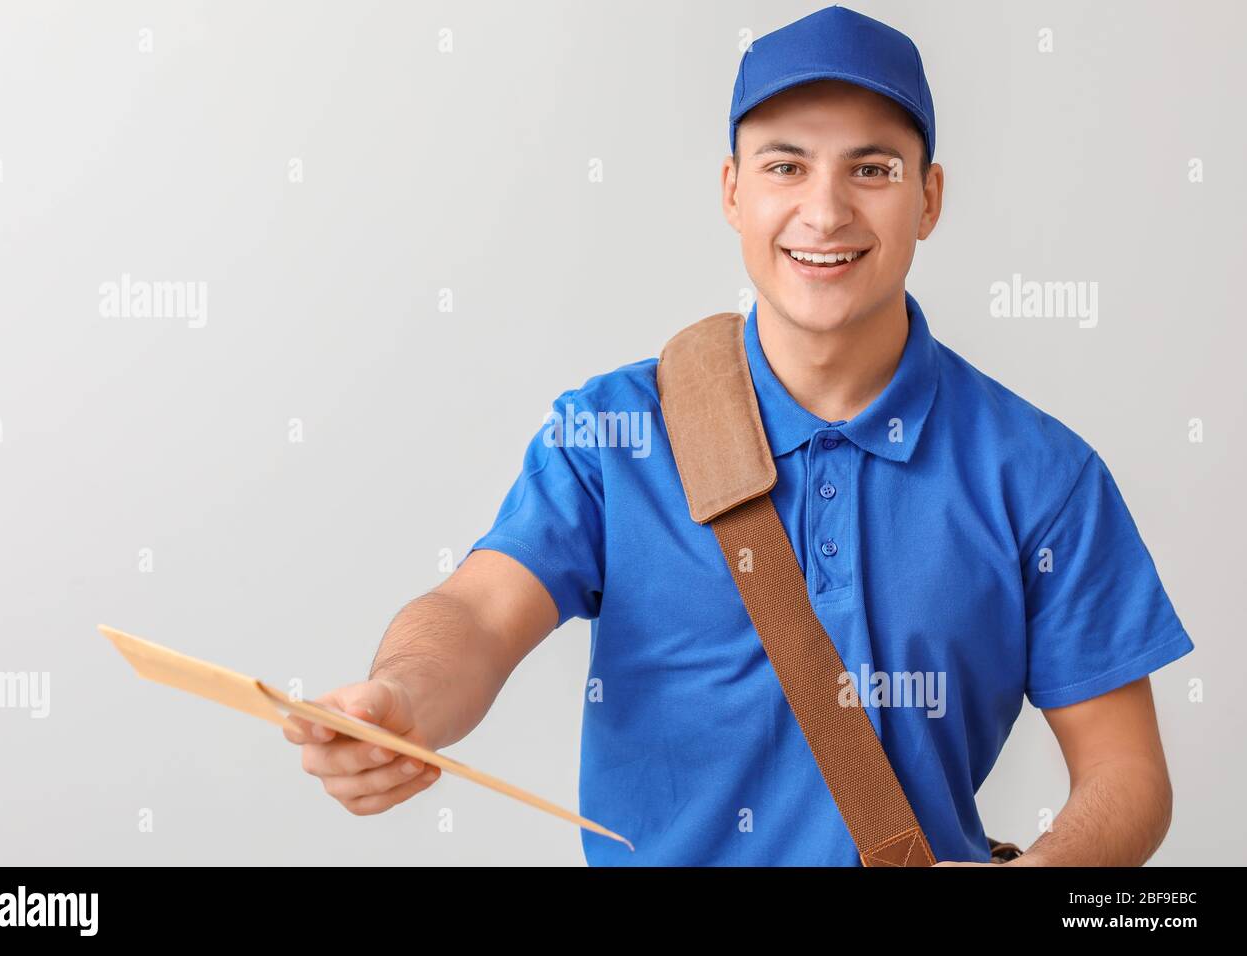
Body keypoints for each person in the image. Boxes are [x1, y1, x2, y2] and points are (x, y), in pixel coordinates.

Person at [282, 5, 1194, 866]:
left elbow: (1127, 776)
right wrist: (399, 700)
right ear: (733, 191)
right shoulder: (614, 434)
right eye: (785, 166)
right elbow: (477, 613)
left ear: (928, 199)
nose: (826, 211)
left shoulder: (1041, 475)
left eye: (871, 169)